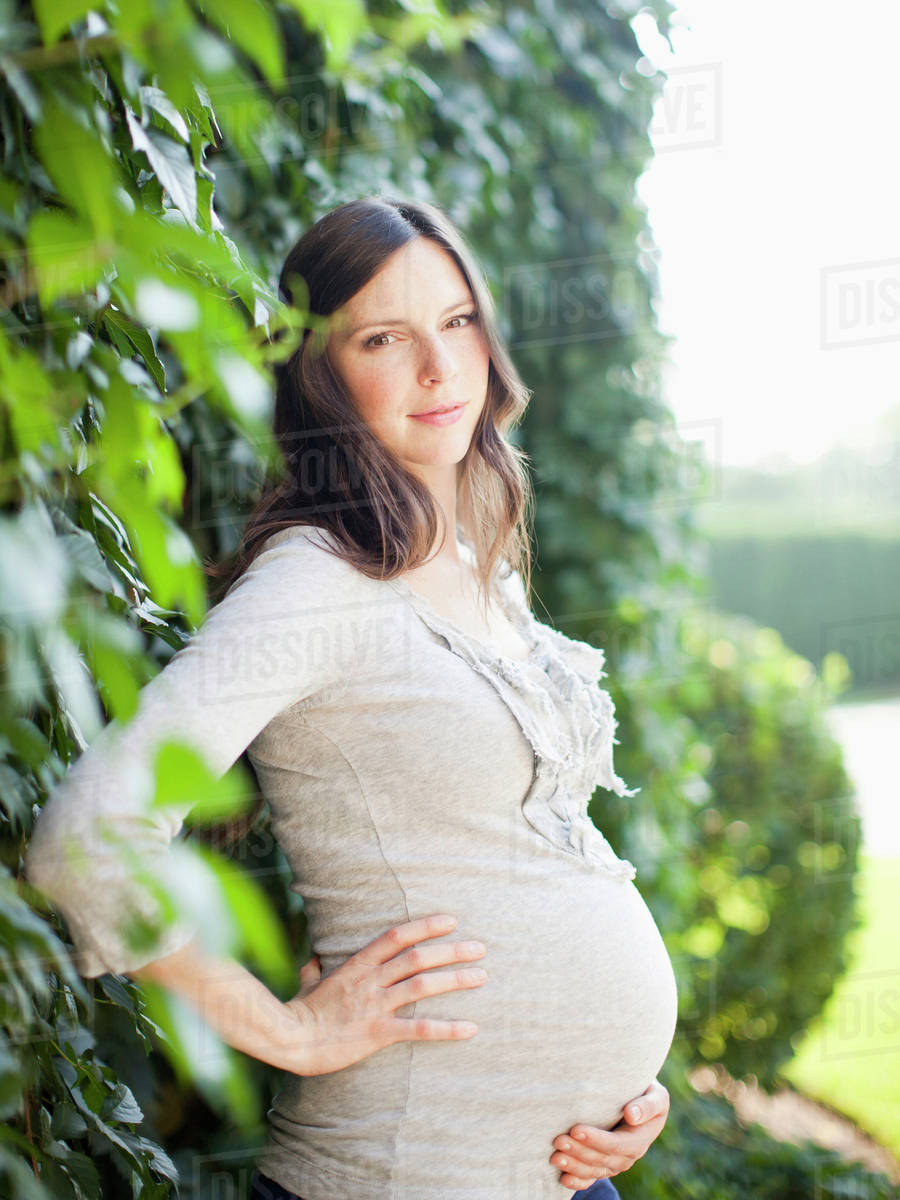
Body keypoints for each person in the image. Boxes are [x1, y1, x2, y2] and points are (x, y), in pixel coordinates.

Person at [24, 196, 678, 1200]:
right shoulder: (316, 584)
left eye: (457, 321)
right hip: (402, 1171)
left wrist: (622, 1087)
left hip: (558, 1173)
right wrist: (287, 1028)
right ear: (322, 375)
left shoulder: (470, 559)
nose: (439, 366)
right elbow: (87, 839)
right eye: (384, 337)